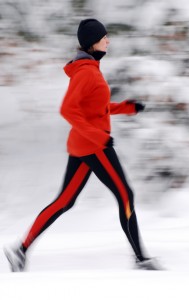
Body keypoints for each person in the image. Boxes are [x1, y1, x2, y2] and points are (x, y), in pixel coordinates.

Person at [4, 19, 160, 271]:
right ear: (93, 42)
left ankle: (19, 250)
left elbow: (94, 108)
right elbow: (68, 109)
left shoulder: (89, 68)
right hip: (94, 146)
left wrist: (126, 108)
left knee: (65, 201)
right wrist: (98, 137)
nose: (108, 40)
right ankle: (141, 259)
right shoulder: (87, 72)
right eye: (104, 37)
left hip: (83, 145)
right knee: (125, 195)